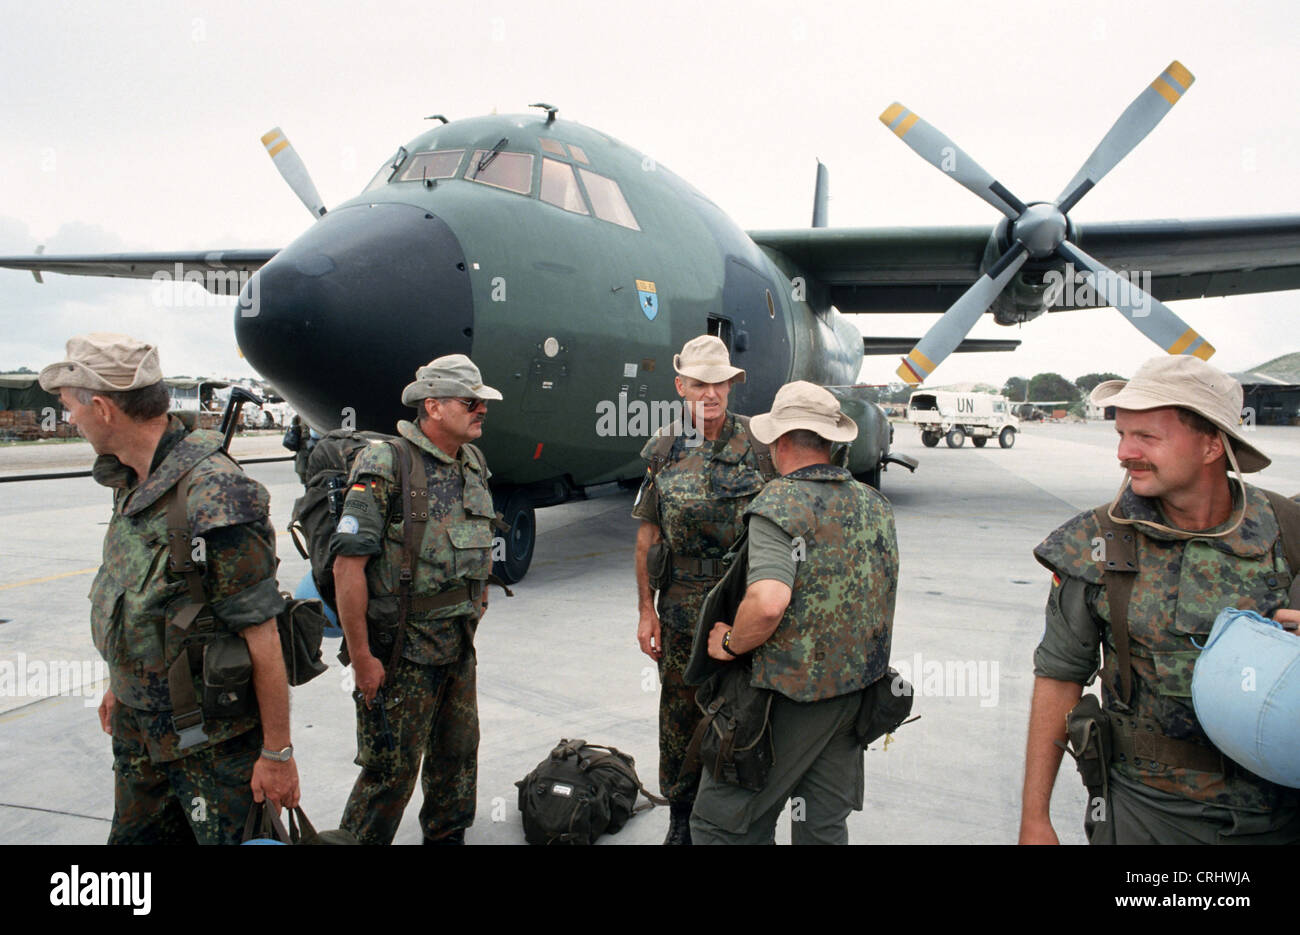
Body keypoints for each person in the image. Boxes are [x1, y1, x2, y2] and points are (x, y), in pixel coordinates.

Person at [1020, 355, 1300, 845]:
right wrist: (1035, 819)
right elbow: (1059, 679)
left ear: (1213, 444)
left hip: (1282, 811)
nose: (1125, 453)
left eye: (1147, 437)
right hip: (1148, 815)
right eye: (1121, 435)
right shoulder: (1095, 541)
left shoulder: (1290, 529)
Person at [39, 333, 297, 844]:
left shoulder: (215, 492)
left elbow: (263, 637)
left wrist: (277, 754)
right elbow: (138, 601)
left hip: (211, 746)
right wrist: (122, 684)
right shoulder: (132, 481)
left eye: (71, 408)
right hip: (140, 732)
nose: (69, 419)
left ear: (103, 408)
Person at [690, 381, 899, 845]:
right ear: (830, 442)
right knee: (821, 826)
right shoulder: (875, 506)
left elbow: (767, 602)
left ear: (780, 441)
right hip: (852, 697)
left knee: (720, 826)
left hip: (783, 700)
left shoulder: (779, 503)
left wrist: (729, 643)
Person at [331, 354, 500, 845]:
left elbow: (478, 538)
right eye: (471, 402)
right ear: (433, 406)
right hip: (401, 650)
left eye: (482, 402)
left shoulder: (473, 462)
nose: (481, 410)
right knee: (390, 773)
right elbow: (349, 566)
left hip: (457, 646)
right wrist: (362, 657)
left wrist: (479, 597)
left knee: (457, 757)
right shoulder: (387, 462)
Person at [631, 334, 774, 844]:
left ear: (732, 386)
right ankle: (681, 813)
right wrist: (646, 613)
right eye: (698, 385)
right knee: (678, 710)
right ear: (680, 387)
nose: (709, 395)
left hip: (745, 603)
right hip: (680, 606)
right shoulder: (663, 448)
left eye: (719, 384)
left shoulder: (761, 446)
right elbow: (648, 536)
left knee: (750, 708)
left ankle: (746, 808)